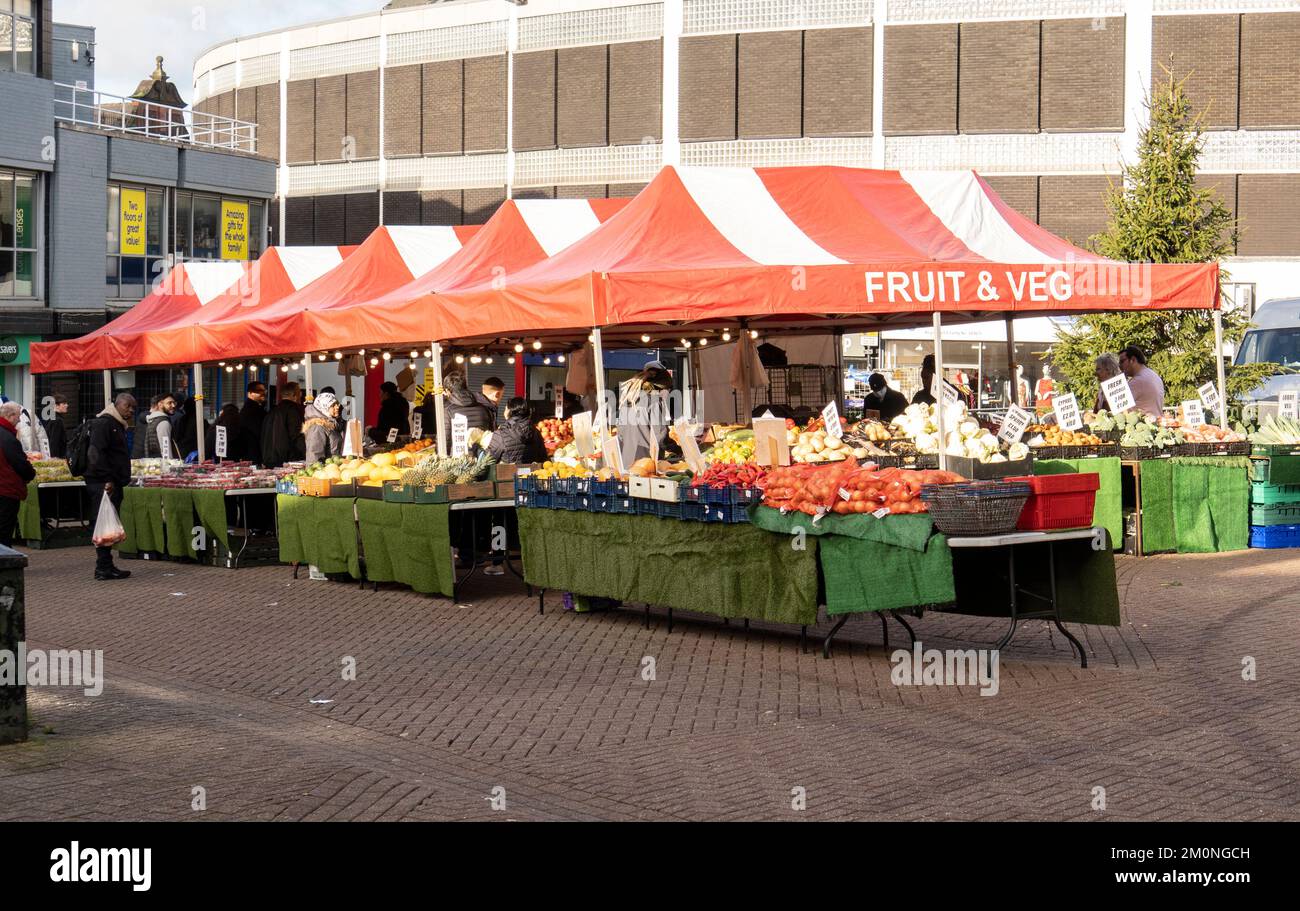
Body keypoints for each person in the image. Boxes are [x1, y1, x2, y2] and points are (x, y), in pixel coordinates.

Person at [85, 393, 135, 581]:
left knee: (107, 522)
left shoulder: (116, 424)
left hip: (109, 482)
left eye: (133, 407)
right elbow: (95, 452)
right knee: (104, 523)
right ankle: (103, 567)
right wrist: (106, 479)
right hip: (104, 483)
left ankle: (106, 565)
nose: (130, 410)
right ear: (118, 405)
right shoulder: (105, 423)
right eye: (128, 406)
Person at [616, 360, 675, 463]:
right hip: (645, 461)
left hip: (625, 458)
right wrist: (677, 449)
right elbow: (660, 436)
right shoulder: (654, 400)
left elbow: (620, 432)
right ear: (661, 386)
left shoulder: (628, 398)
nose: (668, 394)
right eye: (668, 390)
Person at [0, 402, 36, 547]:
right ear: (11, 416)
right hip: (6, 490)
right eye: (18, 416)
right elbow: (21, 465)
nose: (20, 420)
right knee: (4, 530)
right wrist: (31, 474)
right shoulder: (8, 438)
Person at [486, 398, 547, 465]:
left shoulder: (501, 434)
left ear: (509, 411)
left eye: (506, 408)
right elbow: (543, 458)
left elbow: (488, 459)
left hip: (507, 474)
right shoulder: (536, 432)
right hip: (532, 474)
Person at [261, 382, 306, 468]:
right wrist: (306, 453)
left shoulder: (272, 411)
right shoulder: (293, 410)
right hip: (287, 461)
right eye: (299, 392)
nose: (301, 395)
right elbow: (296, 435)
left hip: (269, 458)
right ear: (294, 395)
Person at [1119, 345, 1166, 417]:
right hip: (1155, 422)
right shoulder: (1153, 375)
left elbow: (1119, 410)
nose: (1120, 366)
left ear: (1133, 360)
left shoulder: (1137, 381)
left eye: (1122, 361)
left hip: (1141, 425)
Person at [445, 372, 495, 439]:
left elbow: (445, 438)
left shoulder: (447, 410)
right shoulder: (484, 409)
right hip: (481, 449)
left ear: (448, 391)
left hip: (457, 449)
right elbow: (491, 436)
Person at [132, 393, 180, 459]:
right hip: (158, 463)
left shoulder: (150, 419)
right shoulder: (163, 422)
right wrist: (169, 464)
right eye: (169, 403)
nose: (173, 405)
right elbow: (165, 448)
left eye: (174, 403)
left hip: (144, 461)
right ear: (160, 404)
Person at [303, 391, 344, 464]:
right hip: (326, 472)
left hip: (334, 470)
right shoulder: (317, 427)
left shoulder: (333, 424)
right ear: (324, 406)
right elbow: (314, 458)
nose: (337, 406)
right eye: (333, 405)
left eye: (337, 403)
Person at [238, 382, 268, 465]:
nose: (262, 393)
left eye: (264, 390)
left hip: (253, 452)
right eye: (258, 391)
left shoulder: (257, 408)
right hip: (252, 453)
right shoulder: (252, 410)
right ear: (250, 393)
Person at [42, 393, 70, 458]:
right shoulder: (57, 420)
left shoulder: (51, 417)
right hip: (58, 457)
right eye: (64, 404)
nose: (67, 405)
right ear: (56, 406)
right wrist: (55, 459)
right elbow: (54, 441)